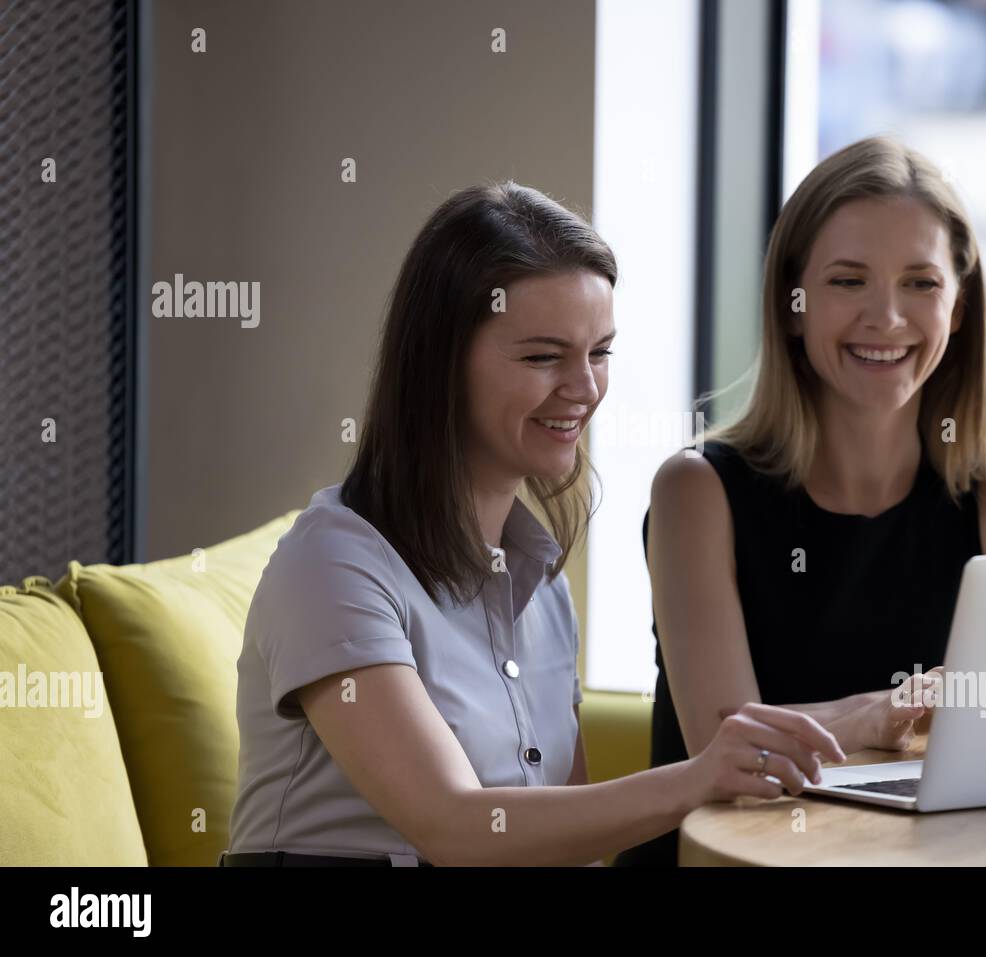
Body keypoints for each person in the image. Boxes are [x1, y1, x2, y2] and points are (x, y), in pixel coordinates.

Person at [221, 181, 864, 867]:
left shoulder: (540, 586)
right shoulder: (333, 565)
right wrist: (698, 776)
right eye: (542, 356)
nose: (584, 389)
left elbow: (567, 840)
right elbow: (454, 825)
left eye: (600, 352)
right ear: (440, 366)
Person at [613, 135, 986, 866]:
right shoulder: (697, 491)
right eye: (848, 280)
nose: (887, 317)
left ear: (959, 308)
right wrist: (876, 715)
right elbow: (731, 750)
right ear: (793, 306)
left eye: (921, 283)